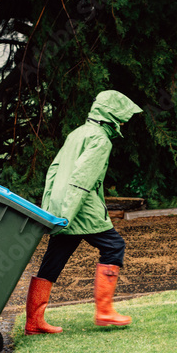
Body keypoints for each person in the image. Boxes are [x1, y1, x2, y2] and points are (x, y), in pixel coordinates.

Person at [25, 90, 143, 335]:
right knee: (114, 246)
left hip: (65, 207)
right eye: (122, 117)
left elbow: (54, 171)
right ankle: (105, 311)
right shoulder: (100, 139)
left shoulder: (78, 133)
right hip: (81, 209)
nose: (123, 123)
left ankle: (34, 322)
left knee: (53, 260)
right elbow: (81, 180)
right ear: (111, 114)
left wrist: (53, 210)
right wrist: (67, 214)